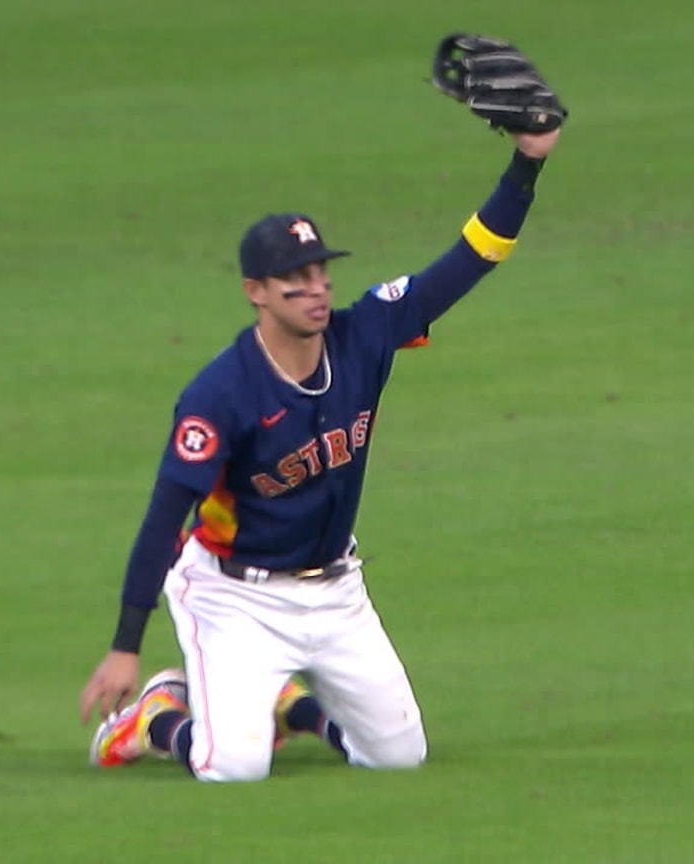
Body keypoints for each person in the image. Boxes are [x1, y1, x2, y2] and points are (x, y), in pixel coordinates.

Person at [77, 127, 562, 782]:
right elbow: (166, 518)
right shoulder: (220, 395)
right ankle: (155, 718)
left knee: (398, 757)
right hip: (234, 597)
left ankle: (293, 710)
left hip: (336, 589)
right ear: (257, 291)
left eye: (320, 273)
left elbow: (471, 260)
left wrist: (527, 163)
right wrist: (124, 646)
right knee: (232, 768)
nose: (316, 289)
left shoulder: (365, 335)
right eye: (295, 280)